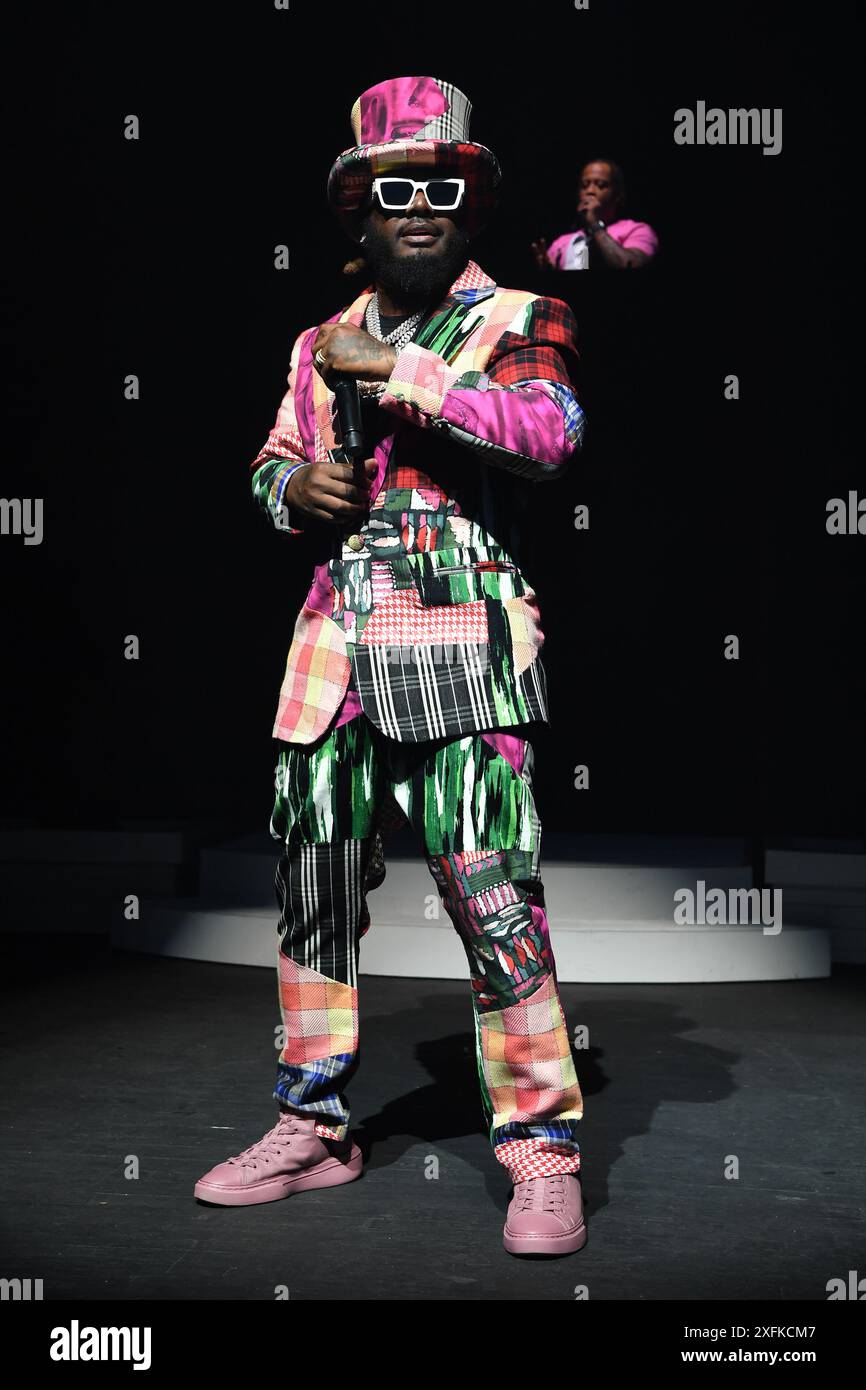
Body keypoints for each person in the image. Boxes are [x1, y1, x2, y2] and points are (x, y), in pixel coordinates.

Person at [194, 75, 588, 1258]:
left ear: (465, 202)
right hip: (333, 655)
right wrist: (288, 491)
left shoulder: (521, 315)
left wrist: (397, 374)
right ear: (361, 210)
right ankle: (311, 1124)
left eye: (440, 187)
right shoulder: (318, 340)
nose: (418, 208)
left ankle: (540, 1145)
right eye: (393, 190)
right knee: (313, 895)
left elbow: (545, 435)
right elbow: (273, 460)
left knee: (489, 889)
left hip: (462, 646)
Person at [533, 158, 659, 270]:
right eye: (584, 185)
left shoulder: (637, 230)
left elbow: (630, 264)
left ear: (618, 195)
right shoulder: (561, 242)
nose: (590, 191)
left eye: (601, 185)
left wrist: (594, 224)